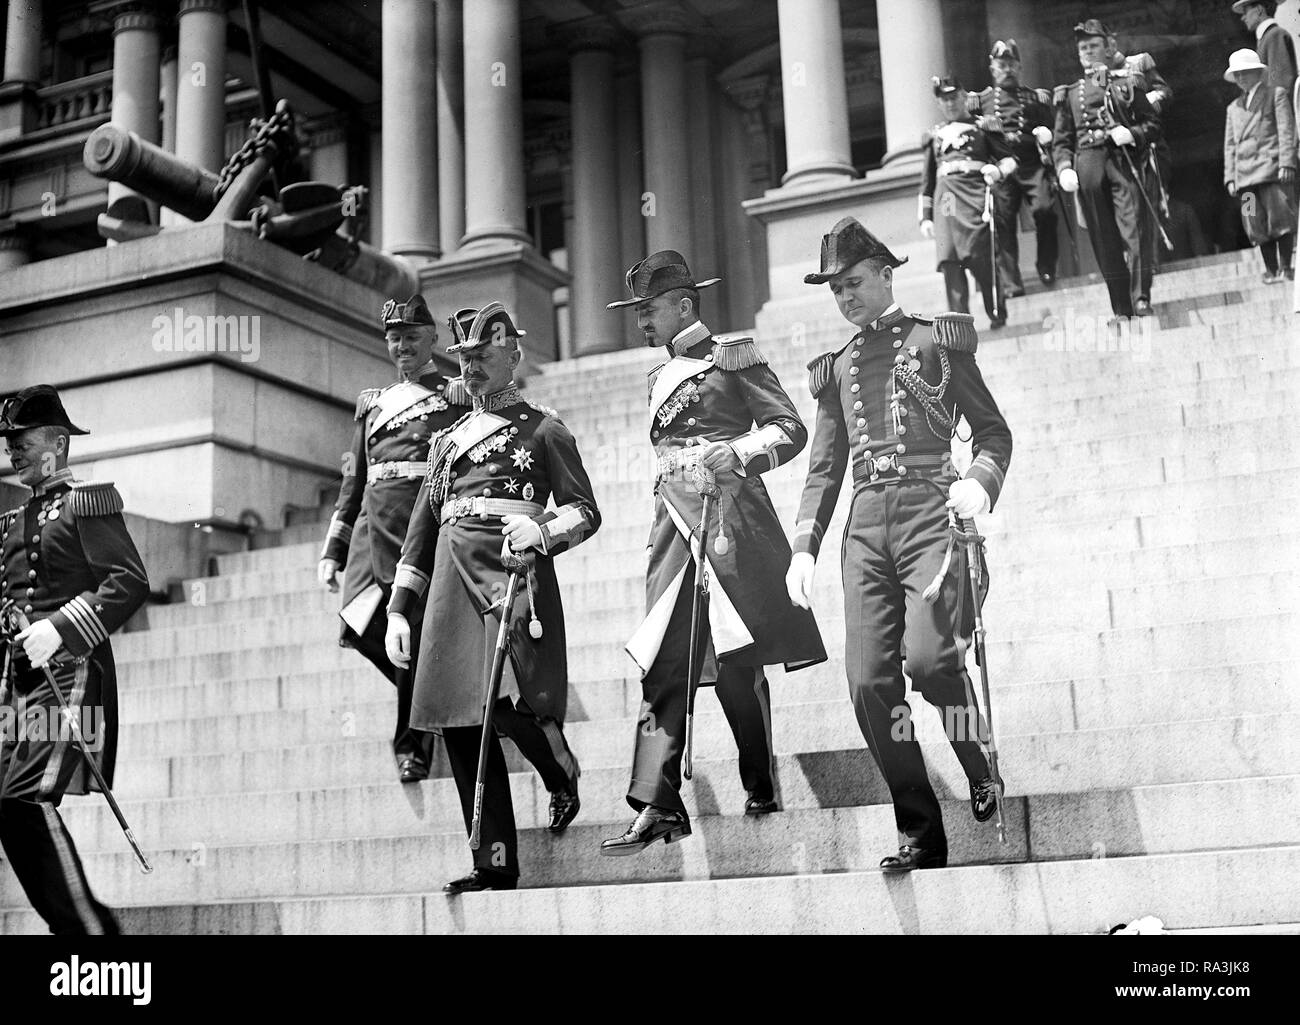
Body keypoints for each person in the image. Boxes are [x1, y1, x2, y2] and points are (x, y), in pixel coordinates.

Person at [786, 218, 1011, 873]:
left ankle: (978, 760)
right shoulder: (838, 369)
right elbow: (825, 467)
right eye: (835, 290)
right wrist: (805, 545)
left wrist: (979, 482)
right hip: (866, 526)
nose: (845, 298)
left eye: (853, 282)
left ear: (886, 273)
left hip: (928, 512)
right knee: (867, 683)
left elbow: (994, 433)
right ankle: (920, 827)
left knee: (934, 659)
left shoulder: (936, 340)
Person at [599, 251, 826, 856]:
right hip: (673, 521)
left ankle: (759, 779)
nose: (642, 323)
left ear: (684, 305)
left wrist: (739, 454)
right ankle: (657, 801)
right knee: (664, 661)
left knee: (735, 661)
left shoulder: (733, 357)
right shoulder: (657, 378)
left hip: (729, 517)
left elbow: (789, 429)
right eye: (638, 312)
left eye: (649, 310)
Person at [385, 303, 598, 894]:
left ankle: (559, 767)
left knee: (508, 705)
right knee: (457, 720)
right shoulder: (446, 443)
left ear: (513, 356)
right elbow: (421, 531)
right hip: (452, 581)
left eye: (483, 356)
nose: (473, 369)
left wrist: (546, 531)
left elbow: (586, 511)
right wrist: (401, 607)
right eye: (465, 359)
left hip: (511, 571)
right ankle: (494, 861)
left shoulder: (543, 428)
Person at [0, 385, 149, 933]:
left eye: (22, 438)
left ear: (57, 442)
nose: (12, 450)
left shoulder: (86, 503)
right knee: (9, 808)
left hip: (71, 673)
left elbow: (130, 580)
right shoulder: (13, 521)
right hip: (20, 683)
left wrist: (58, 627)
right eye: (8, 441)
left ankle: (94, 938)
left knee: (24, 800)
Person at [318, 294, 468, 784]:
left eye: (412, 336)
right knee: (362, 632)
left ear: (433, 340)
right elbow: (354, 479)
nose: (402, 345)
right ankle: (433, 690)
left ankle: (412, 746)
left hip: (420, 527)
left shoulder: (454, 396)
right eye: (395, 337)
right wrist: (335, 546)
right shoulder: (373, 404)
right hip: (371, 532)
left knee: (414, 632)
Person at [1053, 20, 1163, 319]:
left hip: (1121, 162)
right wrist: (1064, 168)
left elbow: (1152, 123)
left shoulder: (1128, 83)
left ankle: (1140, 297)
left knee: (1135, 230)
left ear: (1107, 48)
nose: (1088, 52)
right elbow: (1062, 141)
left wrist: (1133, 134)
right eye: (1083, 48)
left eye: (1093, 46)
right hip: (1087, 167)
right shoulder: (1070, 94)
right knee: (1104, 241)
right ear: (1078, 55)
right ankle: (1121, 307)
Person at [967, 40, 1059, 292]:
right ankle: (1010, 283)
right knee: (1003, 223)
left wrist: (1045, 134)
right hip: (1001, 169)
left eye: (1011, 65)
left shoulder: (1035, 98)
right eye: (1001, 65)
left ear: (1019, 67)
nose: (1007, 69)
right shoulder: (980, 101)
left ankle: (1047, 265)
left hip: (1031, 165)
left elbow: (1051, 132)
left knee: (1046, 210)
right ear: (992, 68)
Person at [922, 75, 1007, 329]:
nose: (950, 104)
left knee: (981, 254)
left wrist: (998, 171)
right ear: (939, 103)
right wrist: (925, 216)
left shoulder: (983, 127)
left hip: (974, 195)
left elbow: (1008, 159)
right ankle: (959, 324)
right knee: (950, 259)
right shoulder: (934, 136)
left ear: (964, 97)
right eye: (944, 100)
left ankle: (996, 311)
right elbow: (926, 180)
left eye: (954, 97)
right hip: (946, 200)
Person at [1223, 49, 1298, 283]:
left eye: (1245, 72)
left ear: (1258, 72)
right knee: (1253, 224)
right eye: (1237, 74)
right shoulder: (1233, 108)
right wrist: (1230, 177)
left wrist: (1287, 162)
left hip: (1271, 170)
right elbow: (1230, 145)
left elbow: (1286, 131)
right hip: (1245, 179)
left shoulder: (1275, 95)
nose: (1242, 78)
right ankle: (1270, 269)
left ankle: (1286, 267)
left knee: (1281, 218)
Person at [1234, 1, 1298, 95]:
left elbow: (1281, 82)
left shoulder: (1274, 35)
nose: (1243, 18)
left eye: (1245, 11)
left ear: (1259, 10)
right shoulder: (1267, 37)